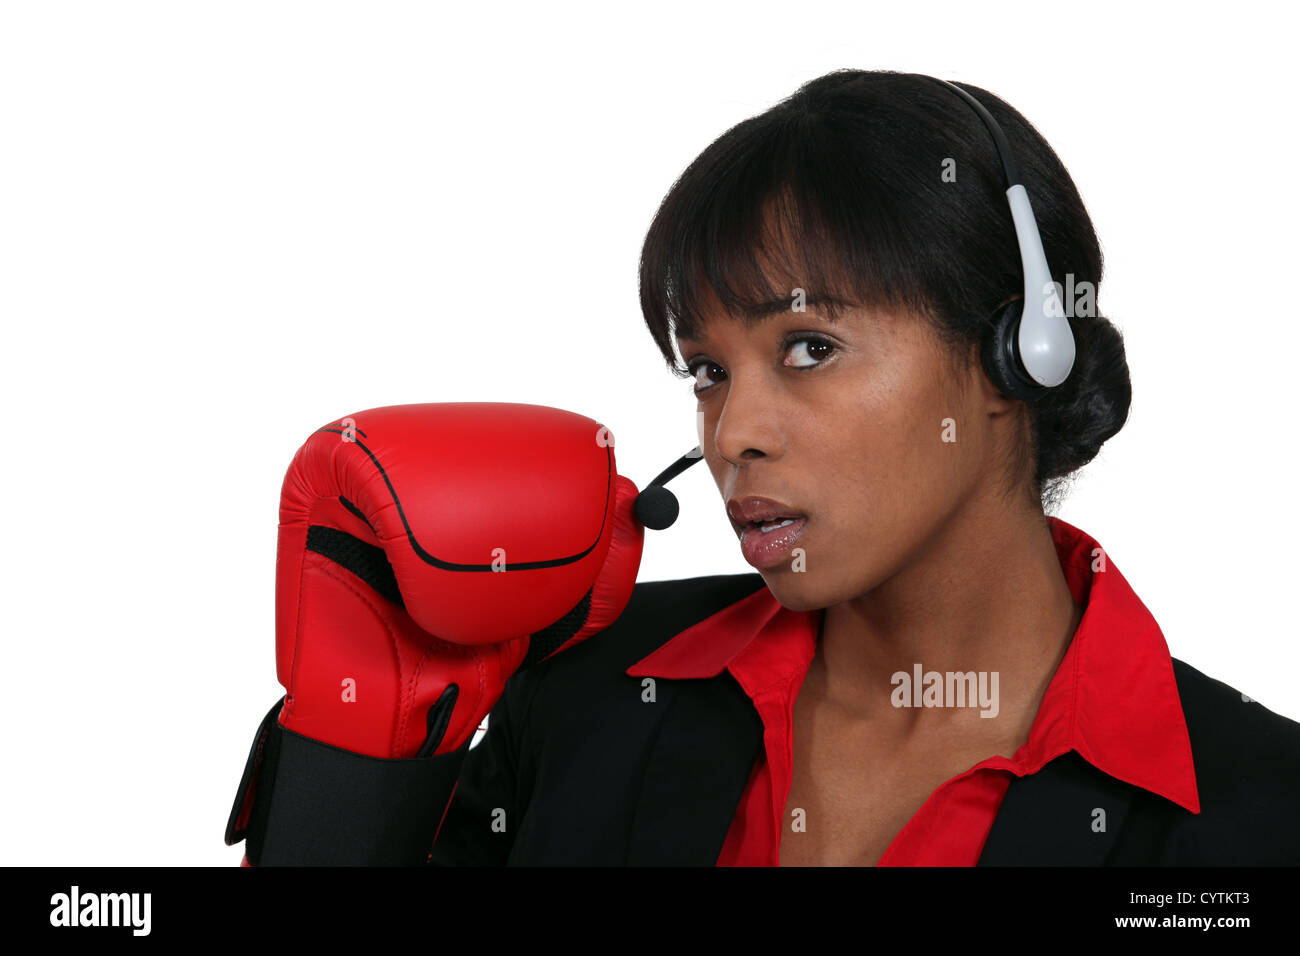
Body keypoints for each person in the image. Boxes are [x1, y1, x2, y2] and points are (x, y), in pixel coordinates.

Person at [228, 70, 1300, 866]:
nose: (731, 429)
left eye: (807, 349)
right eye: (705, 369)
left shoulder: (1260, 810)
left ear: (1014, 355)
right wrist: (367, 763)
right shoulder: (586, 695)